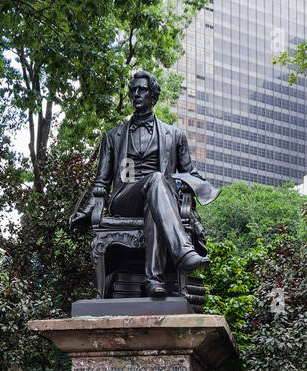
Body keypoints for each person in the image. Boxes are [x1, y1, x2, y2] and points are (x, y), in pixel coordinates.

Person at [69, 70, 211, 297]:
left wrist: (202, 188)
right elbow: (101, 182)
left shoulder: (174, 135)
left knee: (155, 198)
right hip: (125, 198)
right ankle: (183, 252)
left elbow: (190, 173)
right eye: (133, 90)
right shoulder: (113, 136)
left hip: (159, 201)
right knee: (156, 179)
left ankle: (153, 282)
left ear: (153, 96)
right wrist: (88, 210)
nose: (136, 94)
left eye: (142, 90)